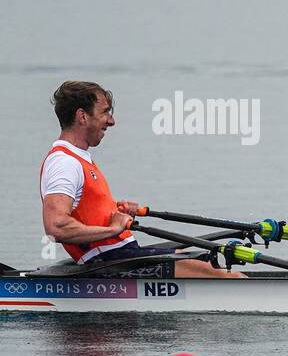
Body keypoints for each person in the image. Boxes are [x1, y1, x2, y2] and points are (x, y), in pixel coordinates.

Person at [40, 81, 243, 279]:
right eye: (105, 112)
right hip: (110, 262)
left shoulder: (77, 158)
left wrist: (114, 212)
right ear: (82, 116)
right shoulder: (64, 162)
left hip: (120, 255)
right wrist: (113, 228)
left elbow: (83, 211)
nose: (111, 121)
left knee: (211, 265)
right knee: (227, 276)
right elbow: (56, 226)